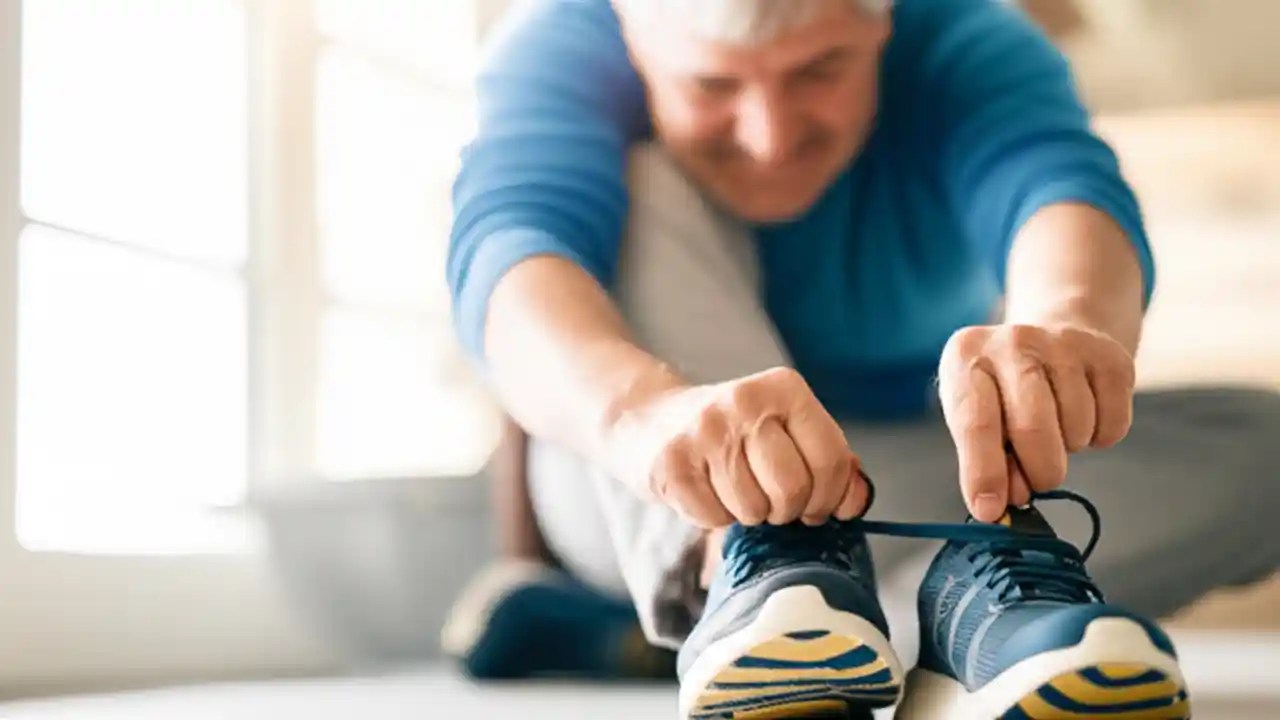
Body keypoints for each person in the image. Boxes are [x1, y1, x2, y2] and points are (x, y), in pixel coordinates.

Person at [440, 0, 1280, 717]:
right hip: (648, 479)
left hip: (905, 470)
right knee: (636, 179)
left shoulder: (965, 32)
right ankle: (759, 571)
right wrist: (639, 416)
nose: (770, 136)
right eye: (712, 84)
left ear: (881, 27)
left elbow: (1057, 187)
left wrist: (1065, 326)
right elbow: (510, 253)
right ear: (635, 41)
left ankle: (911, 623)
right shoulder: (558, 37)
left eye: (819, 70)